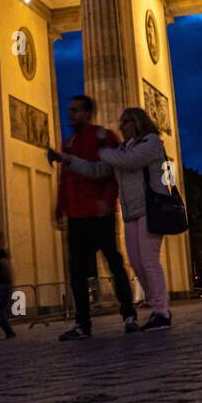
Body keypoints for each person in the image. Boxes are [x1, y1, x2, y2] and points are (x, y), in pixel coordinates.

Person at [51, 107, 174, 331]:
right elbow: (97, 171)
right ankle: (158, 307)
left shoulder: (152, 142)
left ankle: (161, 312)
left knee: (148, 260)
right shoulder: (122, 149)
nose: (120, 126)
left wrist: (103, 150)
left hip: (150, 210)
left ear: (137, 122)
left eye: (125, 121)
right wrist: (67, 158)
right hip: (130, 214)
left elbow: (129, 162)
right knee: (136, 264)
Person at [55, 94, 138, 340]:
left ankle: (129, 314)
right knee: (77, 272)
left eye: (77, 110)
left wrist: (109, 200)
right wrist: (60, 209)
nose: (71, 114)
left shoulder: (104, 137)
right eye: (70, 110)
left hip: (99, 213)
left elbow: (114, 172)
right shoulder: (67, 143)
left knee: (114, 264)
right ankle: (82, 323)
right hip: (77, 216)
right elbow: (64, 178)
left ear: (89, 113)